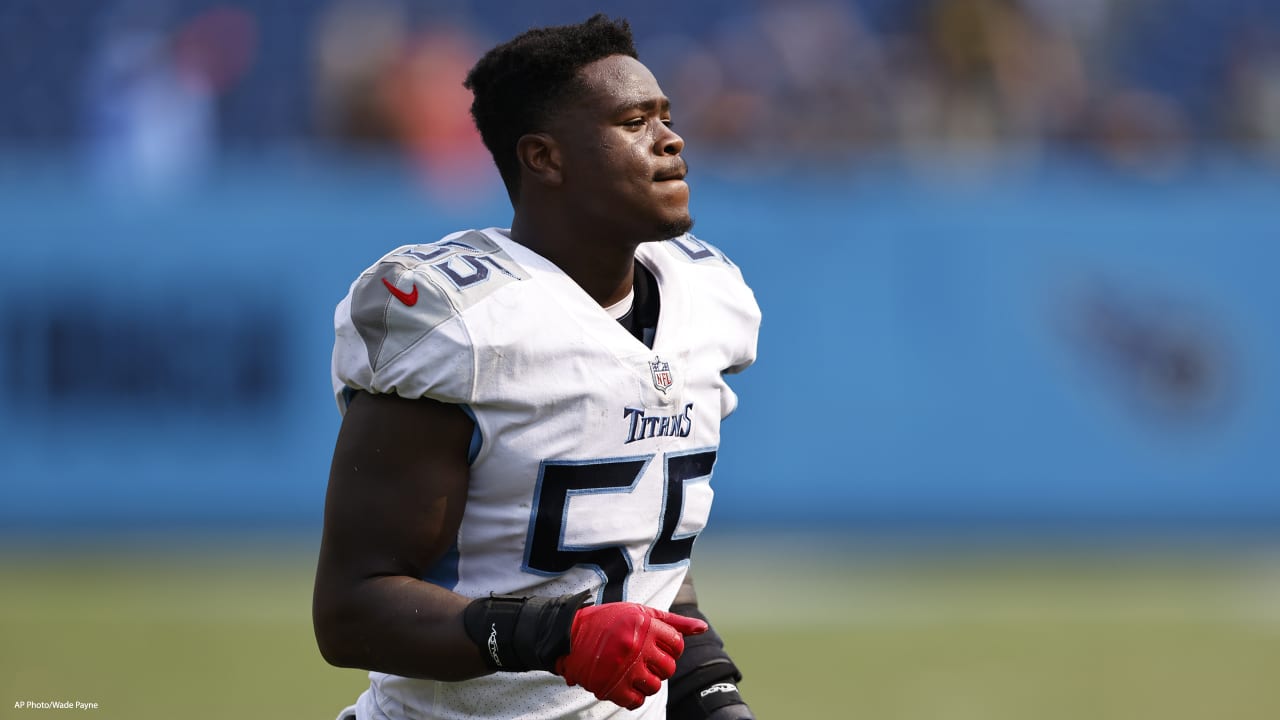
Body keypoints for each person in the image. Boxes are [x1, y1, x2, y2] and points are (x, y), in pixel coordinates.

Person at [313, 14, 761, 720]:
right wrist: (554, 636)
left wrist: (710, 690)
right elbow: (352, 609)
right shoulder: (460, 321)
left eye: (666, 117)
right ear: (545, 158)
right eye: (633, 121)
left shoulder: (707, 298)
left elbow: (635, 549)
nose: (670, 140)